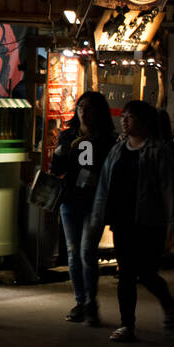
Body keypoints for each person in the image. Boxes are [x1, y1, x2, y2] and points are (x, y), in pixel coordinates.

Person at [89, 100, 174, 342]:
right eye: (124, 116)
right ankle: (127, 324)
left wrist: (172, 223)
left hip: (150, 221)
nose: (124, 120)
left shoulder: (158, 150)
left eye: (130, 116)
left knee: (147, 273)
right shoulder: (117, 150)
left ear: (143, 121)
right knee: (126, 273)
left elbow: (168, 189)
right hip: (123, 220)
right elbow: (103, 187)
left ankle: (167, 303)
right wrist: (97, 219)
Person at [49, 91, 116, 326]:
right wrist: (61, 152)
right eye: (80, 108)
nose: (83, 113)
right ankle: (81, 301)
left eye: (88, 108)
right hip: (70, 200)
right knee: (72, 252)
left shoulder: (107, 140)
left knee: (87, 252)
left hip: (94, 202)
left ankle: (90, 301)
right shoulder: (68, 136)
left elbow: (111, 173)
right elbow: (55, 168)